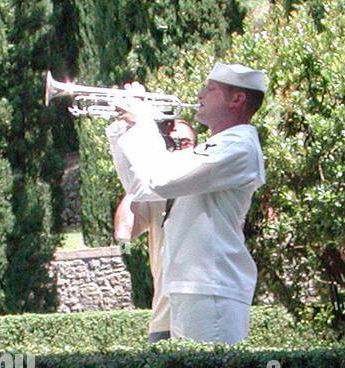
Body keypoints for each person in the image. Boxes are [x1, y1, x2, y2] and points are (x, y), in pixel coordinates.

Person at [106, 62, 267, 345]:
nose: (200, 93)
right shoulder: (213, 147)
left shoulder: (237, 146)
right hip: (191, 285)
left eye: (211, 88)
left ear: (237, 99)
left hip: (211, 286)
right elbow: (141, 186)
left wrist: (143, 121)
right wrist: (122, 129)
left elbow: (160, 179)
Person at [112, 118, 197, 344]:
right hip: (162, 320)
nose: (176, 146)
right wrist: (136, 182)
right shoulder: (155, 194)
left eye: (183, 142)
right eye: (170, 141)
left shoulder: (202, 179)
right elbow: (123, 232)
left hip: (197, 317)